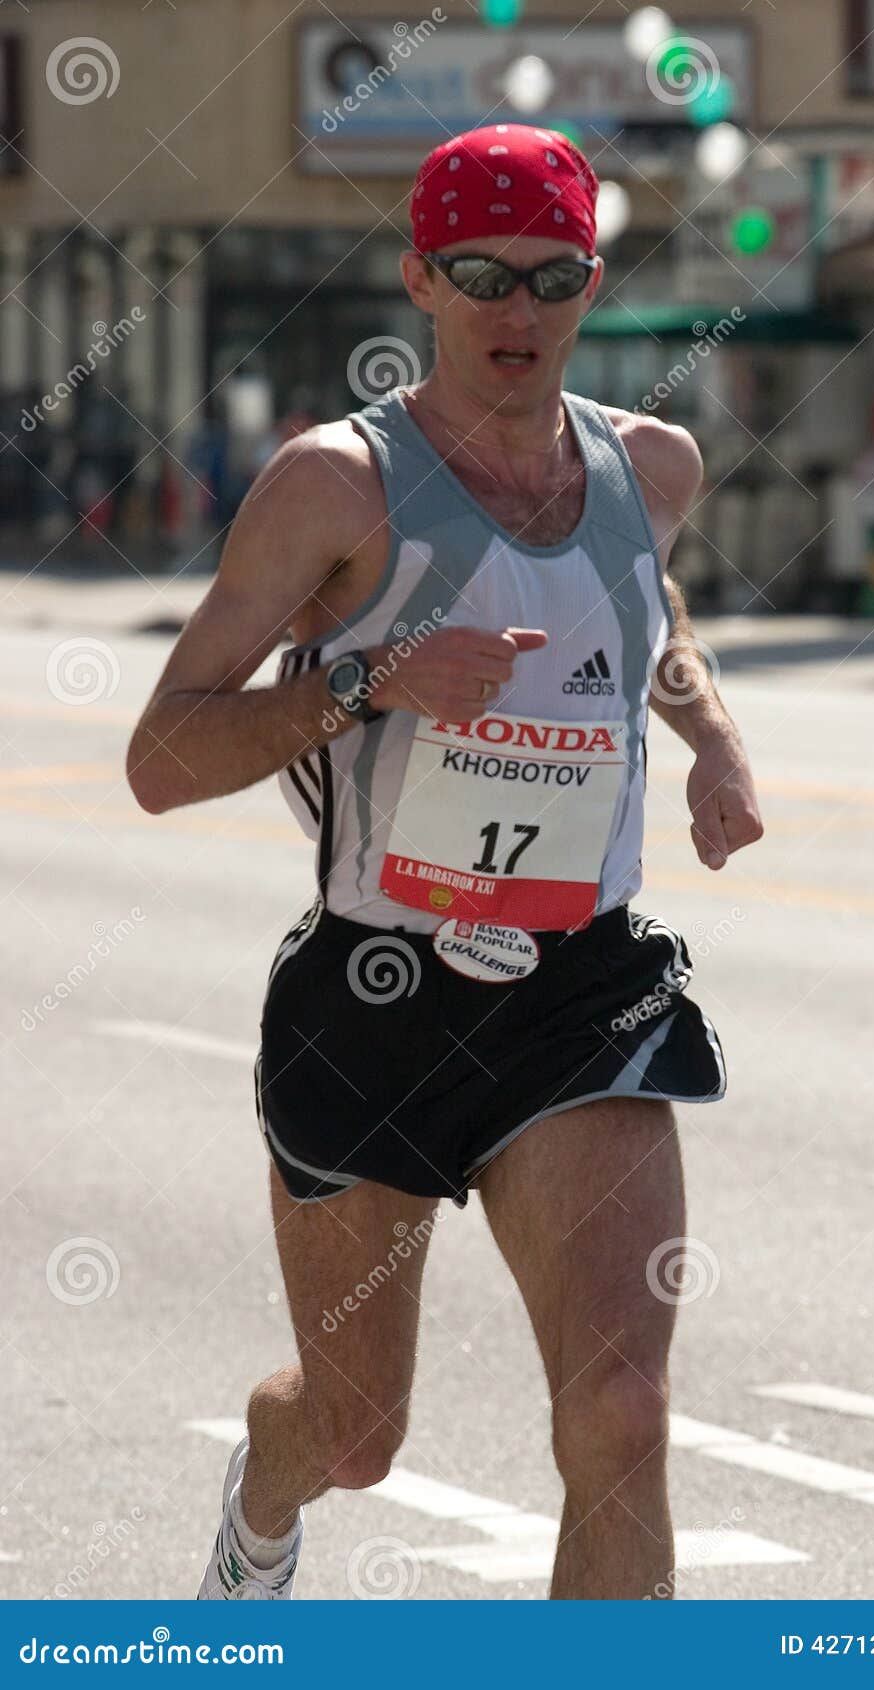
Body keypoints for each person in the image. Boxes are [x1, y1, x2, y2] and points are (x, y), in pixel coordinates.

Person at [126, 123, 763, 1602]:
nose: (516, 310)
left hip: (580, 990)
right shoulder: (334, 487)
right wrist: (370, 680)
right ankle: (260, 1502)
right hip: (378, 987)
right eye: (480, 274)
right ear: (419, 277)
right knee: (355, 1432)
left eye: (550, 277)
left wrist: (715, 741)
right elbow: (163, 757)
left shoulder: (650, 465)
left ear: (593, 284)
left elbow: (652, 624)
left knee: (622, 1416)